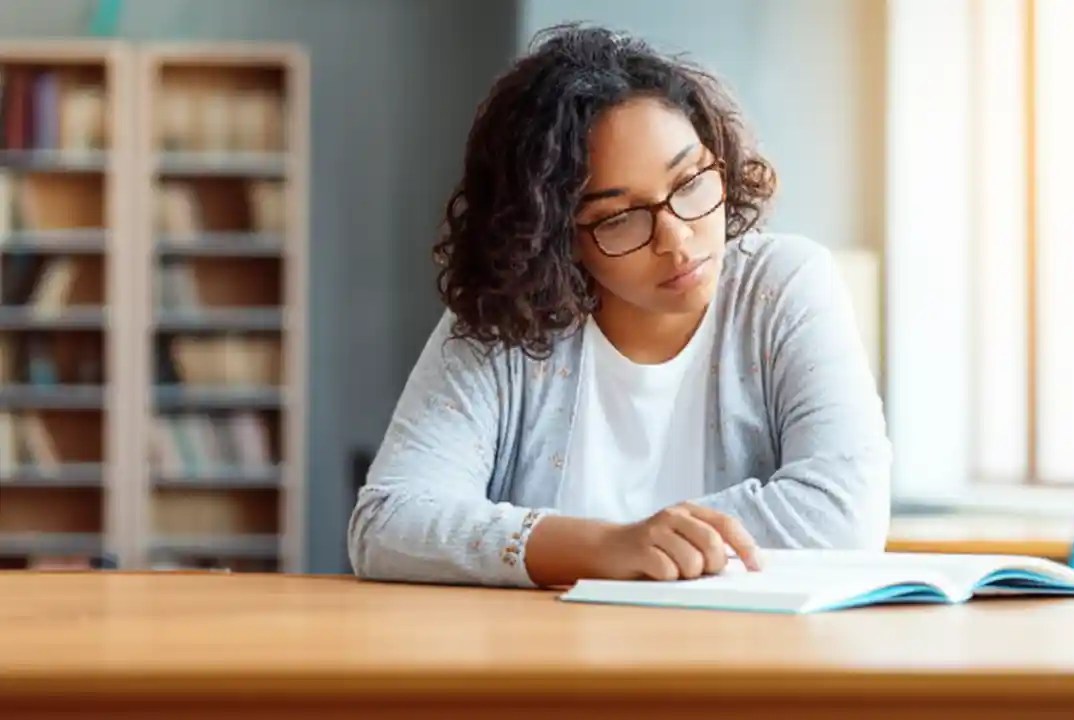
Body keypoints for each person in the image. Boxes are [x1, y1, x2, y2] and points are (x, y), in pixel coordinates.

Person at [347, 24, 891, 588]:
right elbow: (388, 523)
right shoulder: (510, 320)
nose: (676, 239)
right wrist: (606, 547)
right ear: (556, 236)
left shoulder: (782, 287)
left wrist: (637, 544)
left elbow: (844, 515)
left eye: (690, 182)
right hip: (546, 668)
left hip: (740, 665)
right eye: (619, 218)